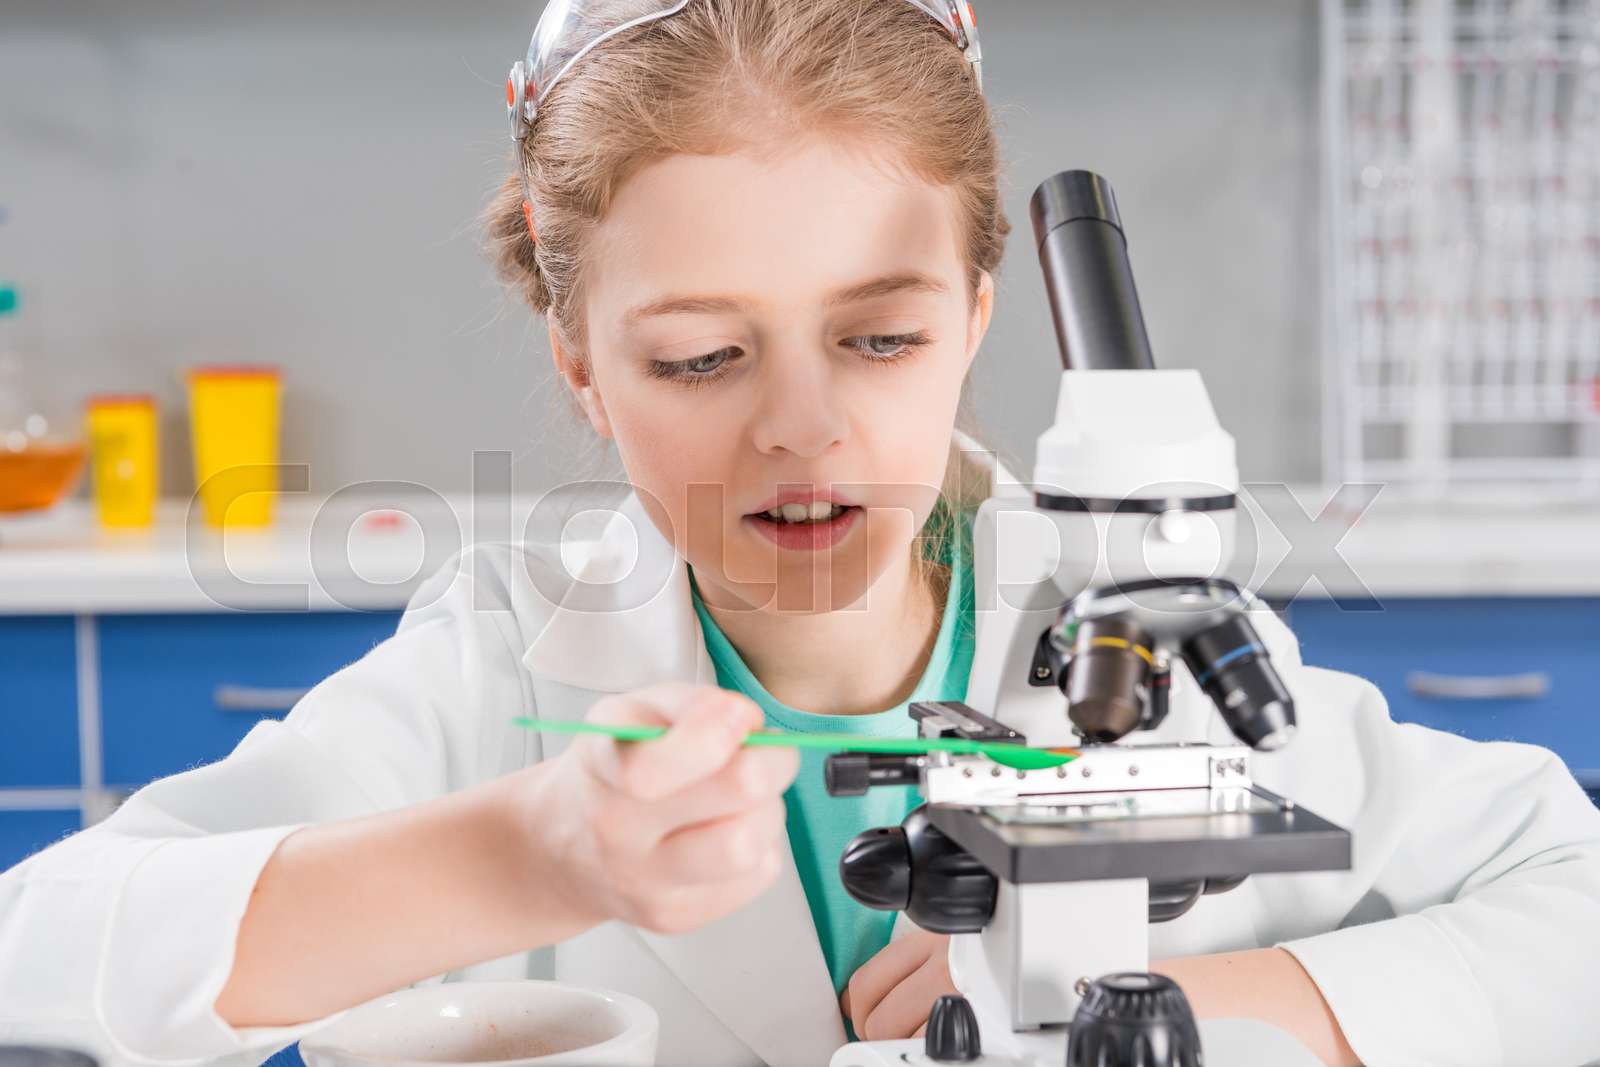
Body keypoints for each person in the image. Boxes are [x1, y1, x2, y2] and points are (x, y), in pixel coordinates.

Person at [4, 2, 1600, 1065]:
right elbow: (39, 952)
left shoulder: (1139, 632)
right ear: (581, 363)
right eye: (702, 357)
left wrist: (1195, 1004)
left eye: (880, 338)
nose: (801, 428)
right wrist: (524, 856)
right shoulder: (499, 670)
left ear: (979, 313)